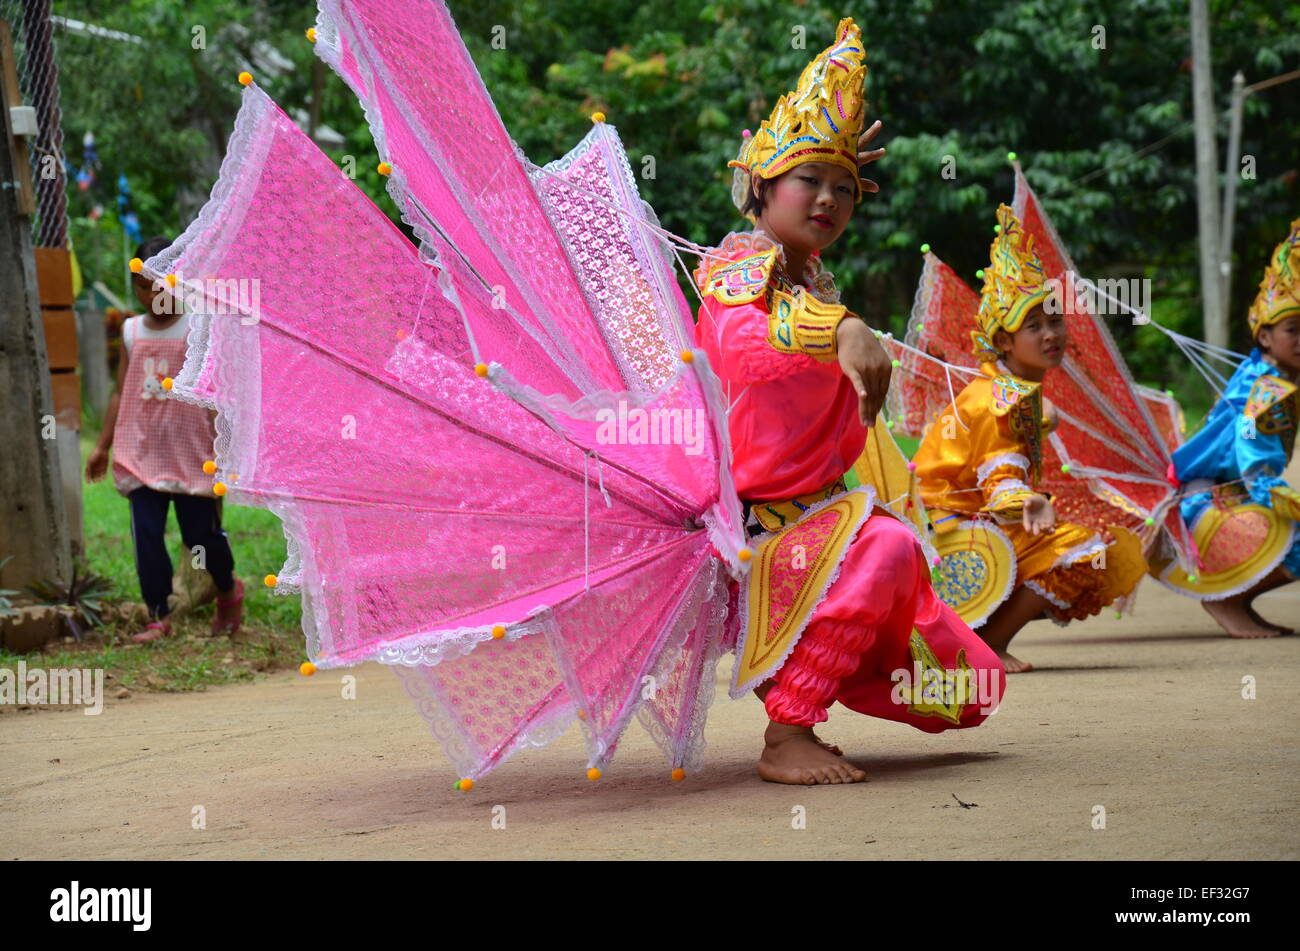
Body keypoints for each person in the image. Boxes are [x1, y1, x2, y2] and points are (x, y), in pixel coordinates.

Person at [694, 18, 1005, 786]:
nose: (829, 198)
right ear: (761, 185)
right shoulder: (740, 269)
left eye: (844, 186)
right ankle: (786, 733)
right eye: (809, 179)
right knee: (890, 551)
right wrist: (844, 328)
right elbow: (743, 352)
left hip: (824, 513)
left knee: (969, 682)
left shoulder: (812, 283)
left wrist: (839, 322)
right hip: (757, 527)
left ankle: (804, 691)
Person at [911, 206, 1146, 673]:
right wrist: (1029, 501)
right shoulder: (1002, 401)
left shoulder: (1015, 391)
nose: (1051, 334)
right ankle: (989, 643)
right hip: (950, 526)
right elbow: (998, 477)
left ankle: (981, 635)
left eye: (1055, 321)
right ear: (1003, 342)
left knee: (1082, 545)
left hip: (971, 515)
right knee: (1079, 551)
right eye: (1033, 326)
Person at [85, 237, 244, 641]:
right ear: (133, 286)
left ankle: (227, 590)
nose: (152, 292)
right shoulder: (130, 331)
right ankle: (158, 614)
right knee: (147, 534)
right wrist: (103, 446)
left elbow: (219, 390)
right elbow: (122, 391)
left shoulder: (199, 327)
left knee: (200, 537)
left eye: (161, 282)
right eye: (142, 285)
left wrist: (227, 442)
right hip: (142, 453)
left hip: (193, 454)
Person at [1159, 219, 1299, 636]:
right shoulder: (1270, 387)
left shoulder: (1264, 370)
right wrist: (1270, 489)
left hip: (1211, 492)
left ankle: (1239, 599)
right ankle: (1230, 599)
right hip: (1207, 504)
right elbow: (1249, 442)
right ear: (1265, 334)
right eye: (1294, 330)